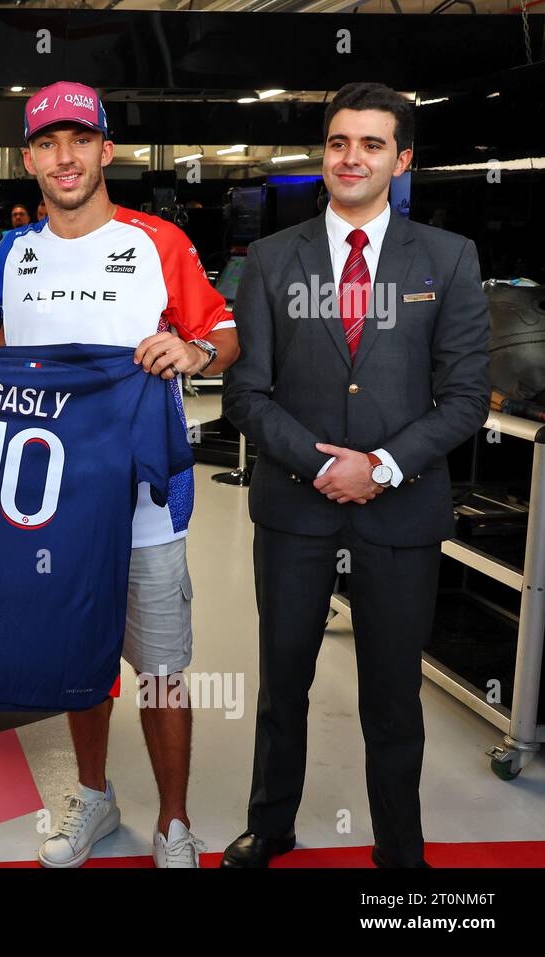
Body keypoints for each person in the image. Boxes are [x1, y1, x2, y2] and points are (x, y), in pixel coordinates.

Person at [221, 82, 490, 868]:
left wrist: (381, 464)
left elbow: (467, 395)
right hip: (295, 510)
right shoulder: (271, 261)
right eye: (340, 142)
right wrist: (320, 464)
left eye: (372, 144)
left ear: (401, 159)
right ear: (324, 154)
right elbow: (246, 392)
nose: (352, 157)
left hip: (401, 512)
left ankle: (400, 849)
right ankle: (270, 824)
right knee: (283, 683)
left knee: (393, 695)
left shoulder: (448, 258)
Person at [0, 81, 238, 868]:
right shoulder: (11, 254)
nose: (66, 157)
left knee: (161, 669)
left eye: (80, 141)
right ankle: (94, 795)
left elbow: (224, 333)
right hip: (49, 504)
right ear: (30, 159)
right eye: (49, 144)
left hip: (145, 504)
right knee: (79, 660)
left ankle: (173, 822)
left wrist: (195, 354)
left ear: (106, 149)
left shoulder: (158, 241)